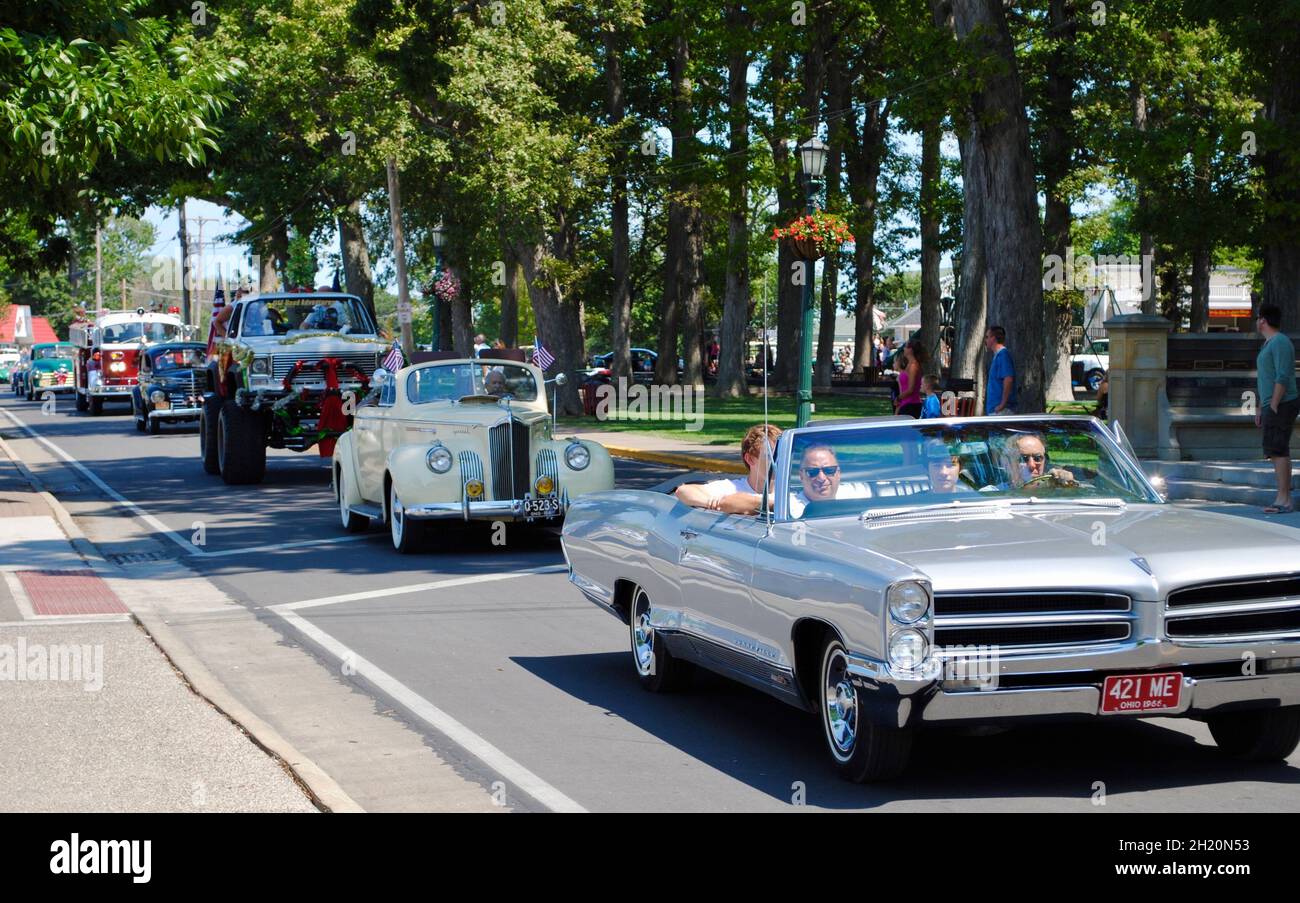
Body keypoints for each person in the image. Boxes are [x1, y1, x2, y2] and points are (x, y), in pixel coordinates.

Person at [675, 424, 782, 515]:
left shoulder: (793, 492)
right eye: (770, 456)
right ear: (750, 459)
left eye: (783, 455)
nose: (779, 461)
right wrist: (718, 504)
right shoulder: (732, 488)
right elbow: (684, 491)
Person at [1255, 303, 1299, 513]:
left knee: (1279, 450)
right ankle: (1282, 496)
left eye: (1258, 318)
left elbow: (1282, 375)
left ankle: (1284, 499)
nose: (1256, 322)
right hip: (1271, 404)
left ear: (1263, 320)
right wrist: (1260, 407)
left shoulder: (1280, 342)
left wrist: (1273, 404)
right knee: (1274, 451)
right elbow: (1266, 378)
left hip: (1282, 403)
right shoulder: (1268, 344)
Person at [984, 325, 1016, 414]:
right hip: (995, 410)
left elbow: (1008, 379)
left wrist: (1002, 404)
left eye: (987, 337)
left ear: (993, 338)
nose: (985, 340)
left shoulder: (1003, 355)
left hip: (1001, 411)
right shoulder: (998, 356)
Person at [895, 340, 926, 418]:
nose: (904, 349)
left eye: (905, 347)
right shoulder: (909, 364)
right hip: (906, 404)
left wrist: (898, 398)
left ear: (910, 350)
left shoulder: (913, 366)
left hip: (911, 405)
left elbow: (910, 389)